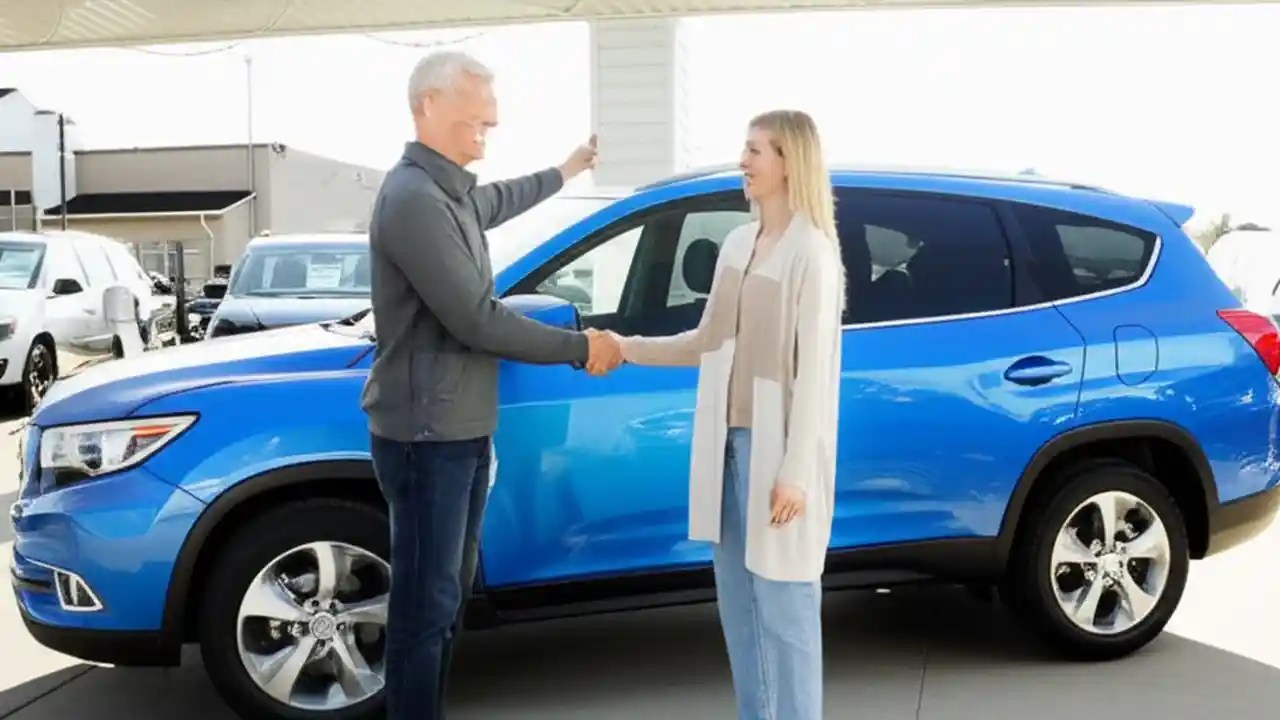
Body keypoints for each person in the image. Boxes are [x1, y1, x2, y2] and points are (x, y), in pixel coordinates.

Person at [360, 50, 622, 720]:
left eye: (491, 116)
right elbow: (476, 319)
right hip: (427, 438)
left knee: (444, 597)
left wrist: (566, 171)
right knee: (425, 605)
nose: (491, 124)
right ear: (427, 106)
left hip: (461, 430)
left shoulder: (449, 192)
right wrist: (580, 346)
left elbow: (501, 199)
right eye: (477, 115)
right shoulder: (414, 199)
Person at [605, 109, 844, 719]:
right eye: (745, 148)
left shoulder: (811, 254)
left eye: (756, 150)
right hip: (726, 447)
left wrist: (795, 470)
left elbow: (816, 374)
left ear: (790, 161)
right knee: (739, 608)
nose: (744, 160)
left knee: (787, 610)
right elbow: (706, 340)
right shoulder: (740, 242)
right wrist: (622, 347)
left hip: (777, 453)